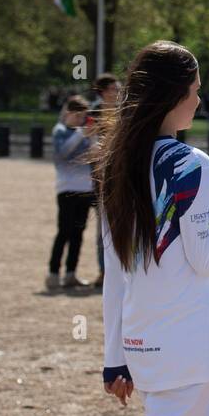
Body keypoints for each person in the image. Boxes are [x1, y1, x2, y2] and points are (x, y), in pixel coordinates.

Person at [97, 41, 209, 416]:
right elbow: (208, 257)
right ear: (173, 96)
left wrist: (115, 357)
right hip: (185, 348)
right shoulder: (190, 164)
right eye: (194, 90)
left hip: (146, 345)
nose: (199, 101)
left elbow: (114, 274)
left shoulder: (116, 166)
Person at [48, 94, 96, 291]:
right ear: (68, 113)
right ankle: (53, 274)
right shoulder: (60, 131)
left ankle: (70, 273)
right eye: (78, 116)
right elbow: (63, 154)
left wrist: (92, 137)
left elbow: (92, 155)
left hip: (85, 189)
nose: (80, 121)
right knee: (64, 232)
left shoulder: (83, 133)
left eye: (83, 117)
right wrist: (81, 135)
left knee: (78, 233)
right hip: (67, 189)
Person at [88, 73, 120, 290]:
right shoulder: (94, 113)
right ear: (103, 92)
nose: (118, 93)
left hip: (121, 173)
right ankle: (103, 270)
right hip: (102, 178)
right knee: (104, 228)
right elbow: (88, 143)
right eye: (113, 90)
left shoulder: (124, 112)